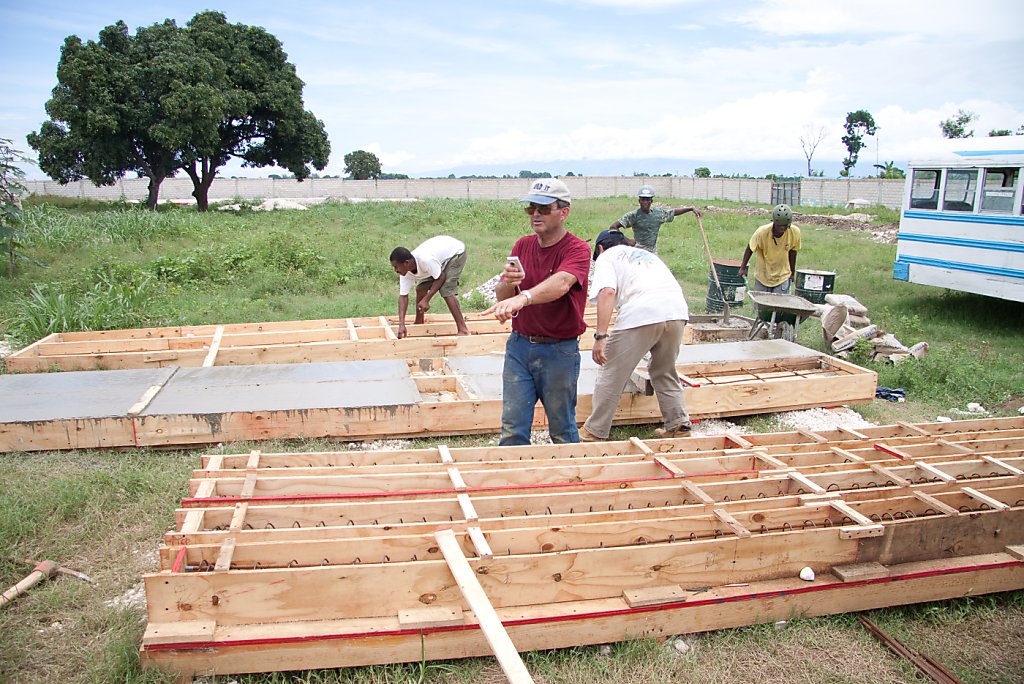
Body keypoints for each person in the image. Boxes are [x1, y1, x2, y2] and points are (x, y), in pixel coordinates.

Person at [484, 178, 592, 446]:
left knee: (562, 427)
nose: (535, 214)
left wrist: (524, 298)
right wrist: (508, 285)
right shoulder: (523, 245)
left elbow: (563, 283)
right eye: (531, 208)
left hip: (559, 351)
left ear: (563, 212)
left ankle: (571, 481)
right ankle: (513, 482)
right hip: (520, 347)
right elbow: (502, 293)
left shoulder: (577, 249)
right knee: (513, 426)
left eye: (543, 209)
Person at [581, 230, 692, 441]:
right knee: (664, 370)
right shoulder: (645, 255)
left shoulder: (607, 256)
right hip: (676, 311)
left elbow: (607, 292)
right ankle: (678, 422)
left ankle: (594, 431)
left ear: (601, 248)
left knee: (612, 372)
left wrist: (600, 336)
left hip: (642, 312)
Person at [389, 236, 469, 339]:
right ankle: (419, 321)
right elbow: (403, 297)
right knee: (420, 288)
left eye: (396, 267)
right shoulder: (405, 273)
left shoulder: (425, 260)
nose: (395, 270)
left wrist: (426, 299)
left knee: (446, 290)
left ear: (407, 263)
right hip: (437, 260)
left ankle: (463, 330)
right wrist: (401, 324)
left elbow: (441, 277)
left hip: (455, 253)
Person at [608, 184, 702, 253]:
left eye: (647, 199)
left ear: (651, 201)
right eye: (643, 199)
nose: (645, 202)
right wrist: (628, 241)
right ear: (639, 201)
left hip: (652, 252)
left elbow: (673, 212)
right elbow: (613, 227)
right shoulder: (633, 216)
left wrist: (690, 208)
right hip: (638, 251)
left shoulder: (657, 214)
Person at [738, 204, 802, 293]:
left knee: (779, 304)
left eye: (785, 225)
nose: (782, 228)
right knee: (762, 304)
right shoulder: (762, 232)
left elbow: (793, 252)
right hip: (763, 276)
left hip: (782, 276)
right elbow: (750, 248)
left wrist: (792, 273)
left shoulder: (794, 232)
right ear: (774, 222)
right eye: (779, 225)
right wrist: (742, 268)